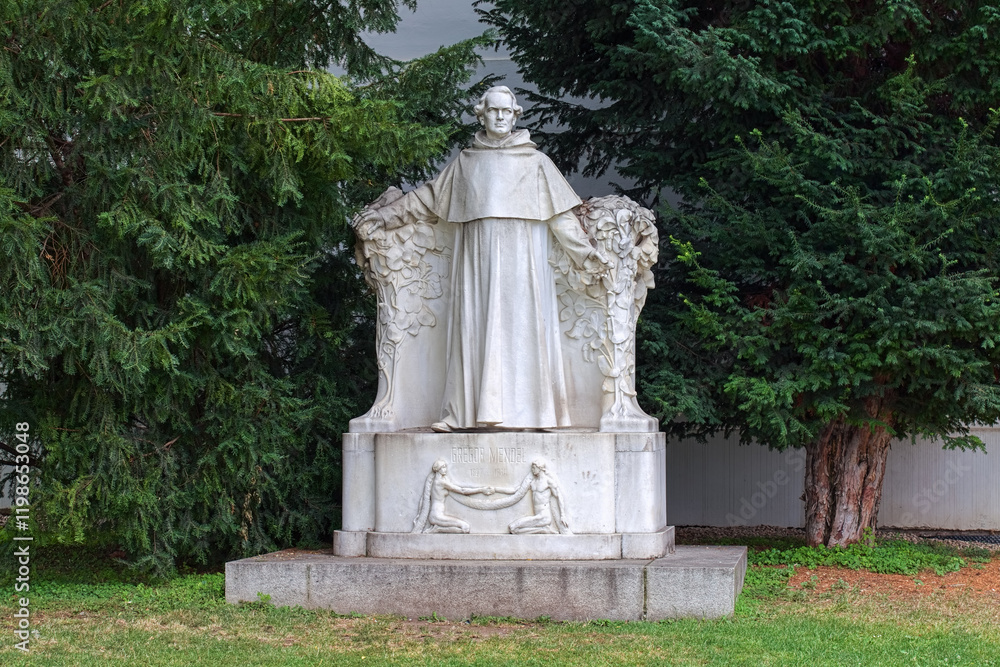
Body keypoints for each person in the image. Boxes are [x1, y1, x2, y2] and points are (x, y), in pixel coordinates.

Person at [358, 86, 609, 431]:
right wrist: (387, 217)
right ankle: (463, 413)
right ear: (482, 114)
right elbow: (428, 198)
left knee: (522, 332)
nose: (501, 117)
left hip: (523, 262)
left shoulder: (536, 163)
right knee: (474, 328)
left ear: (516, 115)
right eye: (494, 111)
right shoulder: (466, 162)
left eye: (507, 111)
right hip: (476, 259)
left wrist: (586, 256)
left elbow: (562, 218)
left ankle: (533, 414)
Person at [411, 459, 495, 533]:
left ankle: (438, 529)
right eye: (443, 467)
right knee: (465, 528)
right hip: (436, 516)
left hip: (439, 515)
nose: (445, 469)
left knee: (465, 528)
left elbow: (459, 486)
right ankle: (437, 529)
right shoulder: (440, 482)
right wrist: (481, 490)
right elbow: (462, 490)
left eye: (445, 467)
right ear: (438, 470)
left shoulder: (442, 480)